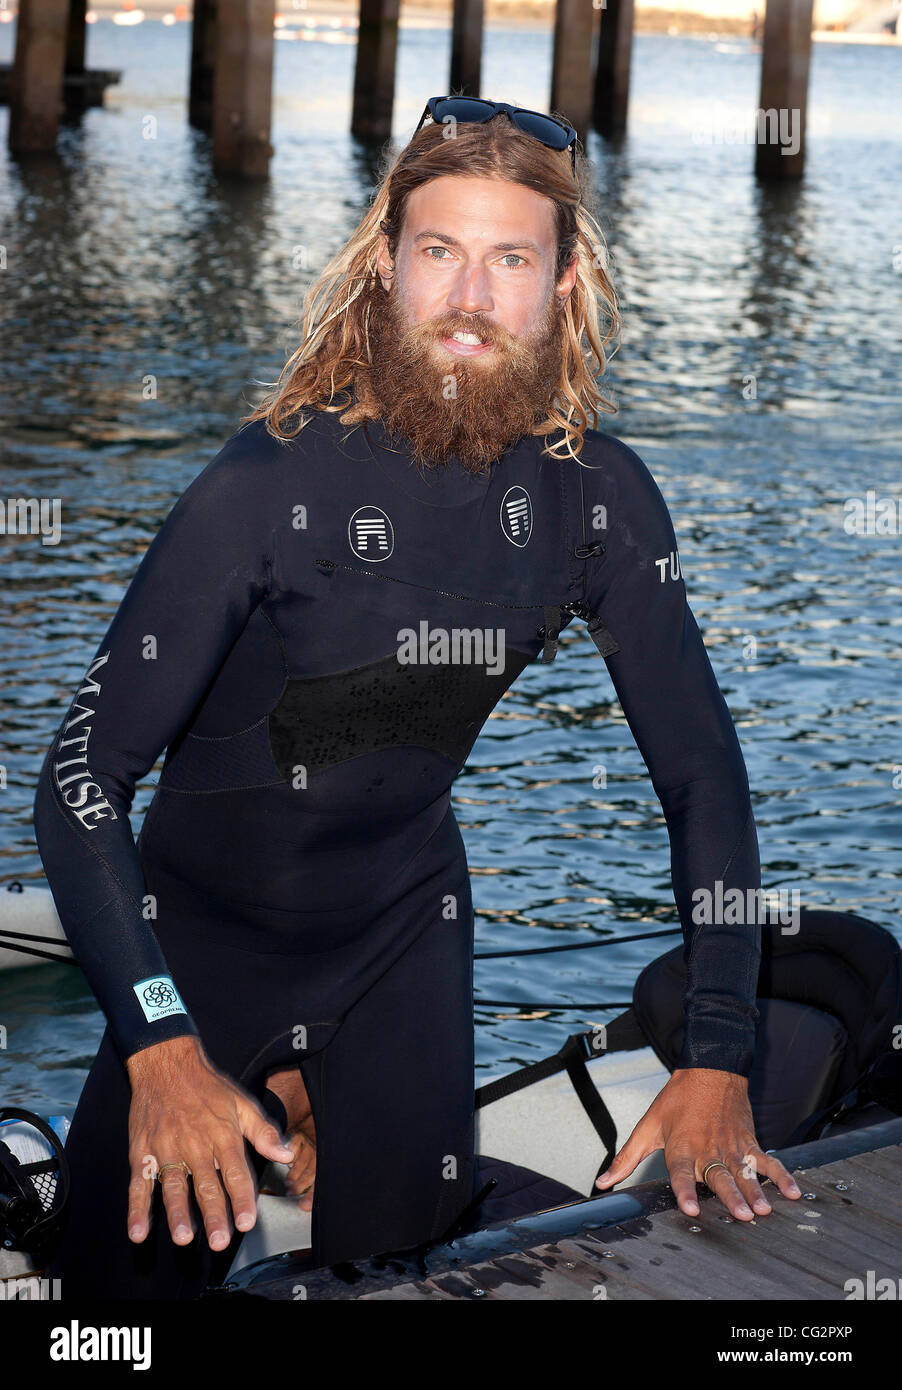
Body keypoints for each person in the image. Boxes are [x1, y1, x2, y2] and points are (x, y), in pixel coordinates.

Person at [33, 95, 799, 1301]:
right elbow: (80, 786)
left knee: (406, 1281)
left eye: (510, 260)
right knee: (106, 1320)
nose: (469, 298)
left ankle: (320, 1114)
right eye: (439, 252)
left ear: (560, 282)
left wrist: (716, 1052)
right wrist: (162, 1049)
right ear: (386, 266)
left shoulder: (591, 502)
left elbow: (701, 771)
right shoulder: (264, 484)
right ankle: (243, 1104)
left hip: (400, 936)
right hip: (201, 956)